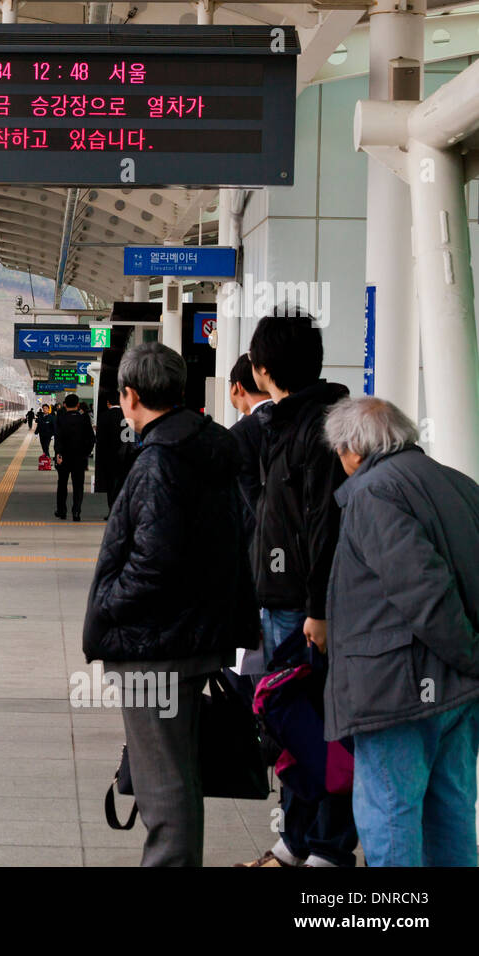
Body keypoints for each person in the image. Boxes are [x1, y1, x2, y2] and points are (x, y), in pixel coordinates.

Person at [83, 343, 258, 866]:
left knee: (161, 786)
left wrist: (108, 604)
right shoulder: (211, 447)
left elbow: (153, 562)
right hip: (194, 636)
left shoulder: (159, 458)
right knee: (178, 777)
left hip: (154, 645)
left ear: (130, 396)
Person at [322, 397, 479, 866]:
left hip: (397, 689)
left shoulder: (374, 492)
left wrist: (470, 654)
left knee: (390, 814)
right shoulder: (458, 483)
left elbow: (423, 591)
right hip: (456, 689)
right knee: (452, 813)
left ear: (354, 449)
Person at [238, 311, 356, 869]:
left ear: (263, 368)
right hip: (281, 603)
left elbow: (324, 525)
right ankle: (297, 840)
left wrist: (318, 609)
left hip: (305, 611)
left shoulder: (319, 428)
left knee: (320, 728)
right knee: (292, 726)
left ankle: (326, 848)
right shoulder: (286, 423)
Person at [227, 353, 273, 541]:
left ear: (237, 387)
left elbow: (249, 493)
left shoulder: (240, 433)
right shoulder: (290, 417)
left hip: (258, 538)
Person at [53, 393, 94, 521]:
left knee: (62, 485)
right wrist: (86, 453)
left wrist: (58, 454)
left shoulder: (61, 418)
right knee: (78, 486)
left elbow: (58, 438)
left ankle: (61, 511)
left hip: (63, 457)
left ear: (65, 405)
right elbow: (91, 438)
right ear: (78, 404)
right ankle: (76, 512)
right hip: (79, 458)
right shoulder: (84, 418)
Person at [94, 390, 135, 516]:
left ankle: (112, 510)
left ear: (108, 403)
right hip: (127, 456)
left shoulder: (104, 416)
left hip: (109, 457)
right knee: (125, 484)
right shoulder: (129, 415)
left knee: (111, 485)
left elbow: (100, 439)